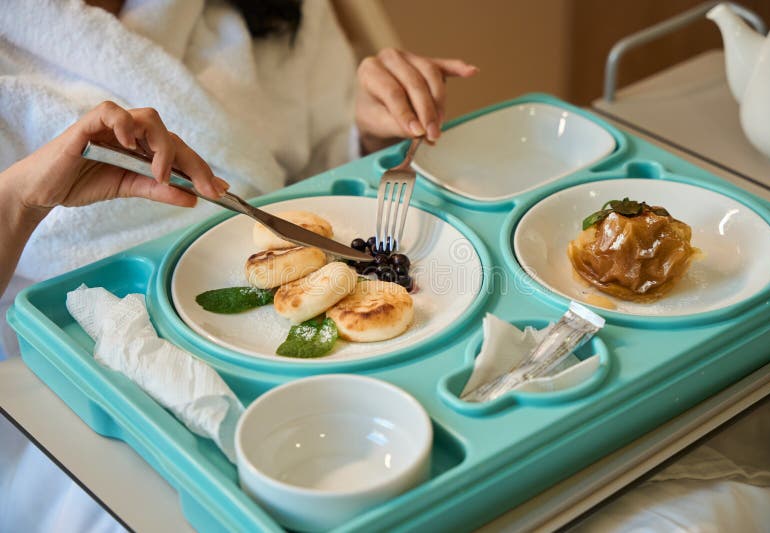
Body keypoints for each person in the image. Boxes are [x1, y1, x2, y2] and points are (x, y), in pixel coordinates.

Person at [0, 0, 477, 530]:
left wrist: (369, 135)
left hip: (325, 361)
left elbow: (325, 195)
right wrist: (18, 200)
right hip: (96, 404)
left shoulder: (274, 10)